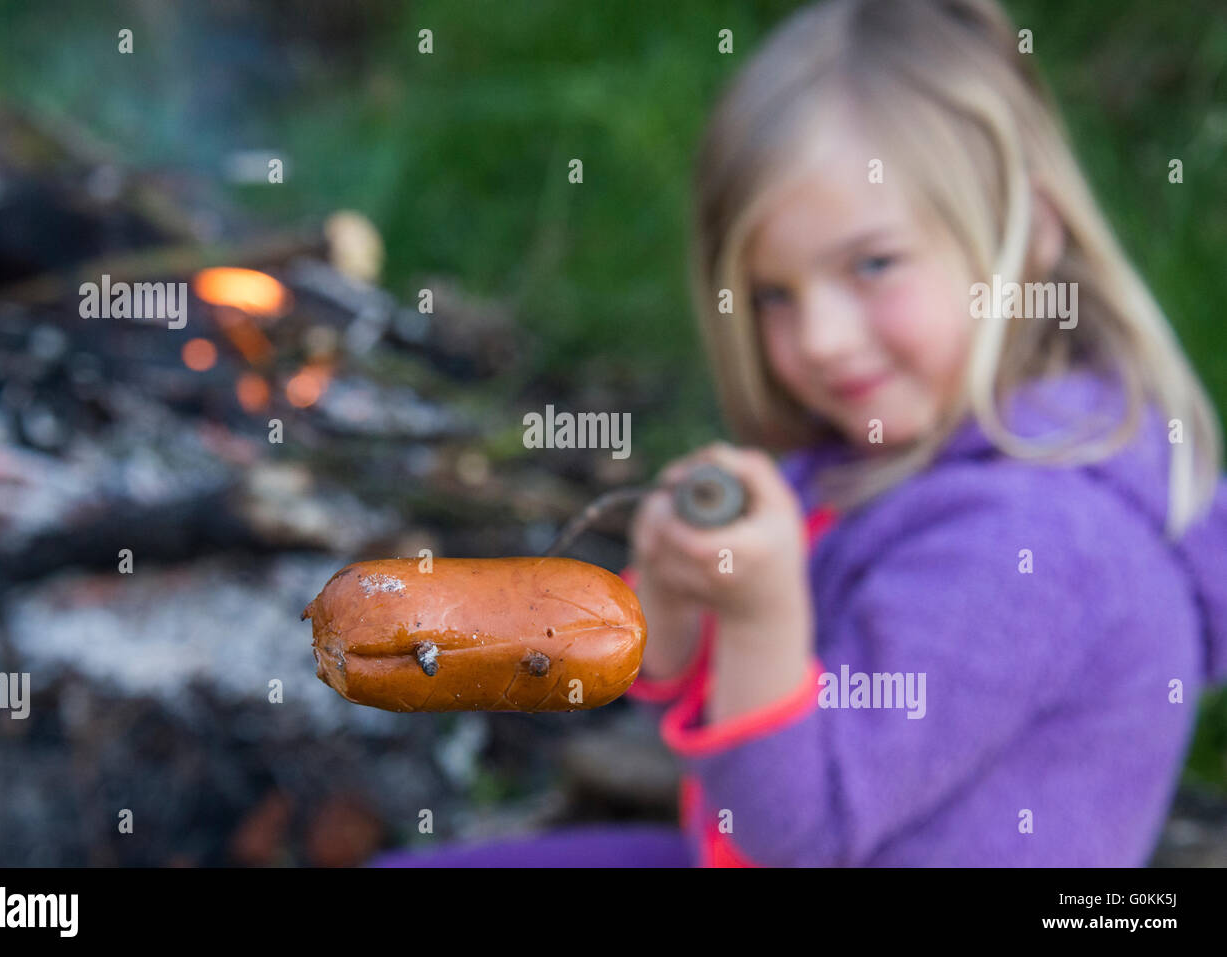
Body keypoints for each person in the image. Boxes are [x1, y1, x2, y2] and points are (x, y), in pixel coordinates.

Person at [369, 0, 1227, 867]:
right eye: (775, 293)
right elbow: (733, 743)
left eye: (873, 265)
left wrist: (761, 611)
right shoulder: (892, 461)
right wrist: (676, 607)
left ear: (1031, 233)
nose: (817, 338)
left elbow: (794, 830)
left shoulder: (1027, 548)